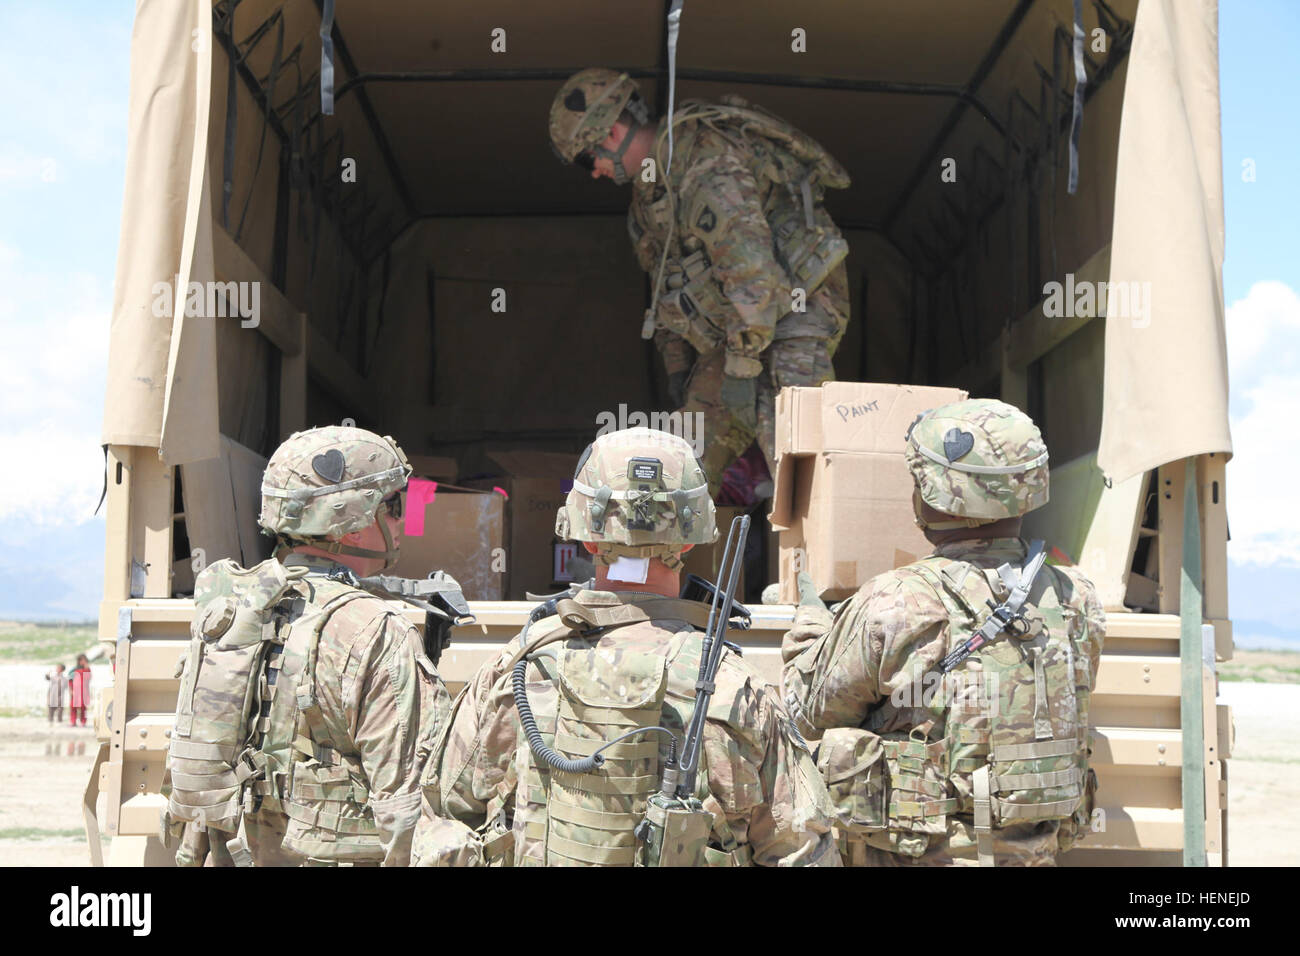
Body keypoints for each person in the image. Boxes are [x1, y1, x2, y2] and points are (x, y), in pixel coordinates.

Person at [411, 426, 840, 866]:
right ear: (690, 537)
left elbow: (441, 824)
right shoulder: (738, 690)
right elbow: (802, 851)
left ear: (585, 535)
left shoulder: (515, 672)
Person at [781, 399, 1106, 866]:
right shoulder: (1077, 596)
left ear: (933, 495)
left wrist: (812, 625)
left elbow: (805, 715)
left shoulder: (895, 599)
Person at [549, 69, 852, 495]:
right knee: (689, 453)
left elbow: (750, 266)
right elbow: (666, 290)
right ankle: (661, 554)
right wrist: (680, 369)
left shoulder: (704, 158)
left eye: (587, 159)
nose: (595, 172)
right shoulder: (649, 199)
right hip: (741, 329)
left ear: (613, 131)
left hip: (798, 307)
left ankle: (826, 549)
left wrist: (744, 367)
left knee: (793, 442)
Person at [165, 425, 454, 866]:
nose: (401, 520)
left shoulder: (233, 607)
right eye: (394, 505)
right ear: (354, 522)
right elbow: (406, 804)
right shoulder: (377, 629)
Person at [67, 655, 92, 727]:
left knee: (83, 707)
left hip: (84, 691)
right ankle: (73, 721)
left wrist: (87, 668)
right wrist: (71, 690)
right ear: (79, 661)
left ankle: (83, 722)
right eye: (82, 660)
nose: (84, 662)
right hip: (75, 691)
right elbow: (70, 680)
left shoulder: (87, 669)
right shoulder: (74, 670)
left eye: (85, 660)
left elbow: (89, 678)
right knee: (73, 707)